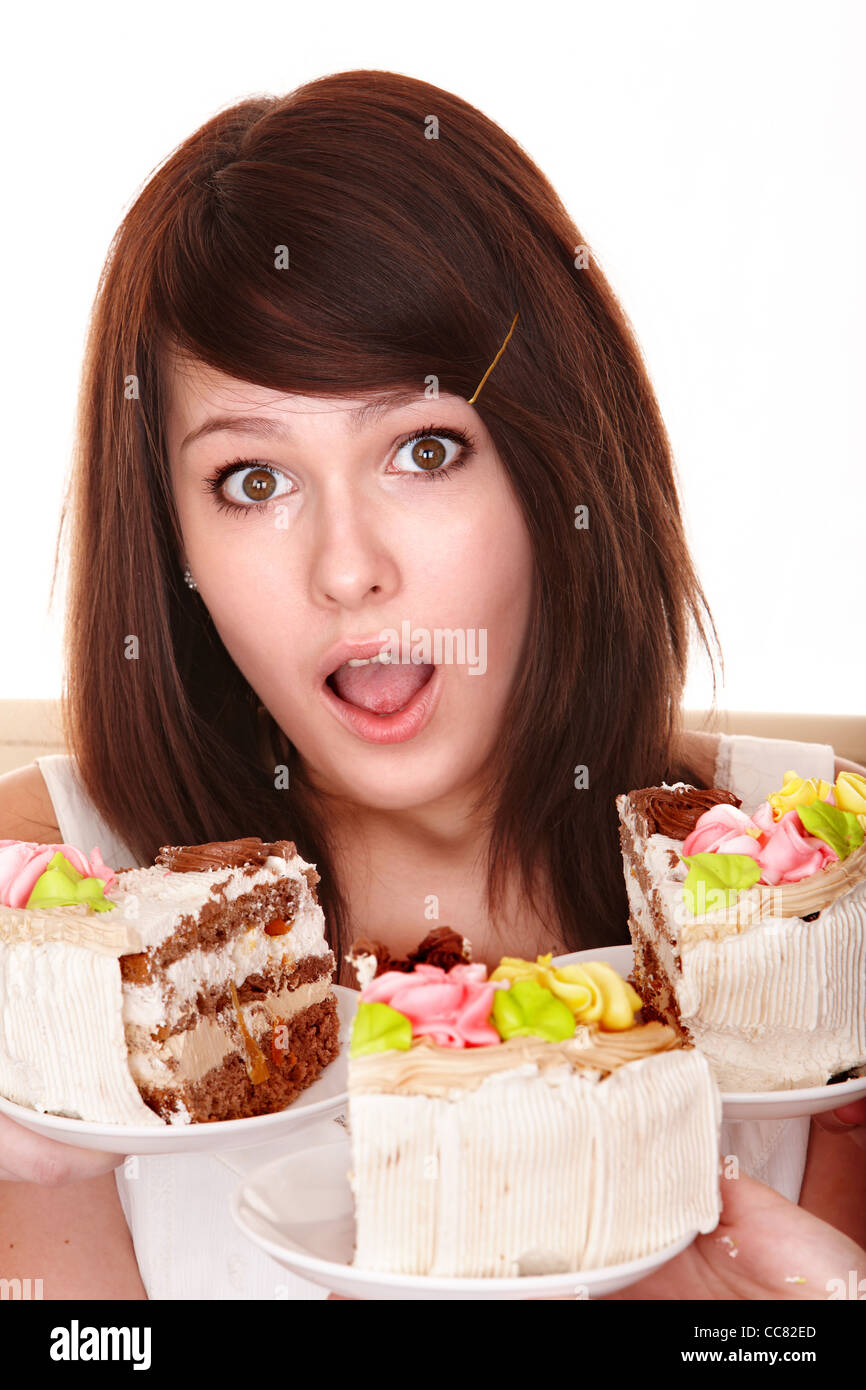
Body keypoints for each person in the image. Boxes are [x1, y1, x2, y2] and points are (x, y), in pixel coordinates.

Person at [1, 69, 863, 1299]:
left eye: (423, 448)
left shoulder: (817, 882)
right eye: (253, 479)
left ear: (551, 457)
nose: (348, 568)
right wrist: (65, 1154)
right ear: (172, 538)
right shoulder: (52, 905)